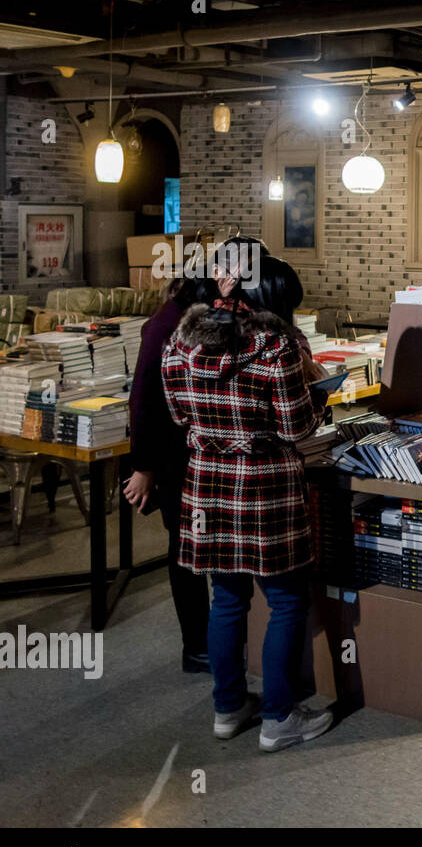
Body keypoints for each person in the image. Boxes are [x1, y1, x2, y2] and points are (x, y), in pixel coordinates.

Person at [161, 255, 332, 753]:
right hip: (264, 485)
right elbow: (295, 427)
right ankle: (279, 717)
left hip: (206, 482)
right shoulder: (275, 346)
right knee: (284, 602)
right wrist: (320, 398)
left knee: (227, 599)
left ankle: (228, 707)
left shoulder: (181, 342)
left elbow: (176, 413)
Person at [124, 274, 218, 673]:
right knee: (185, 551)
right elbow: (142, 400)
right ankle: (197, 646)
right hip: (174, 457)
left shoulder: (178, 321)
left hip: (187, 452)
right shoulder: (165, 328)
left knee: (192, 549)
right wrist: (143, 467)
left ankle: (206, 642)